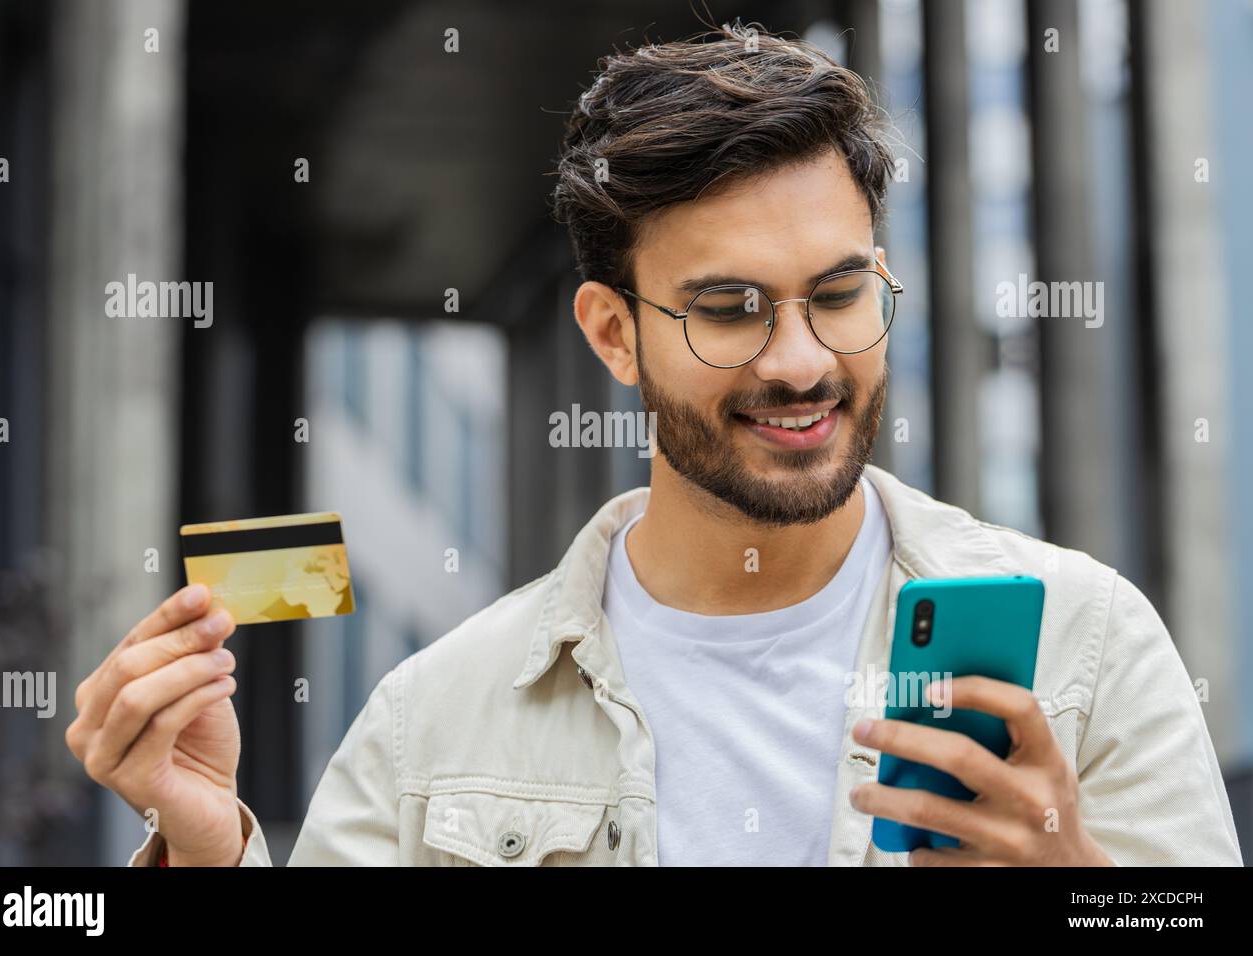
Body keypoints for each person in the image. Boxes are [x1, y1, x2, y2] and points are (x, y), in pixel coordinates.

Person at [67, 21, 1242, 866]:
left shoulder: (1084, 643)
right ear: (612, 332)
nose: (799, 360)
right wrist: (205, 846)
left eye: (837, 293)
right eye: (729, 309)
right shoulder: (438, 714)